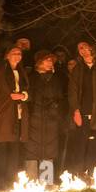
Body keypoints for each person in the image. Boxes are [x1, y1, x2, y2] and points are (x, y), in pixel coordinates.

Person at [66, 40, 96, 176]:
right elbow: (72, 92)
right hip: (82, 113)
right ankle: (79, 175)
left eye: (84, 47)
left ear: (91, 48)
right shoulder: (78, 69)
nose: (82, 50)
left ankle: (92, 174)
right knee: (81, 145)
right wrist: (75, 111)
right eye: (79, 48)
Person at [0, 45, 29, 186]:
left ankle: (11, 182)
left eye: (19, 53)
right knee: (0, 149)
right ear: (7, 55)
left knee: (14, 150)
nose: (17, 55)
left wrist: (22, 96)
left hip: (18, 116)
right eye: (14, 52)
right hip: (3, 115)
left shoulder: (22, 72)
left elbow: (28, 91)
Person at [25, 50, 66, 182]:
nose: (50, 63)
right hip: (34, 120)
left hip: (51, 121)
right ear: (39, 62)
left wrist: (55, 108)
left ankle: (46, 182)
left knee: (49, 151)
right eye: (47, 60)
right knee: (32, 151)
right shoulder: (31, 78)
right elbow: (29, 98)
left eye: (51, 61)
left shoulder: (56, 79)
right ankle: (31, 183)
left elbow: (61, 98)